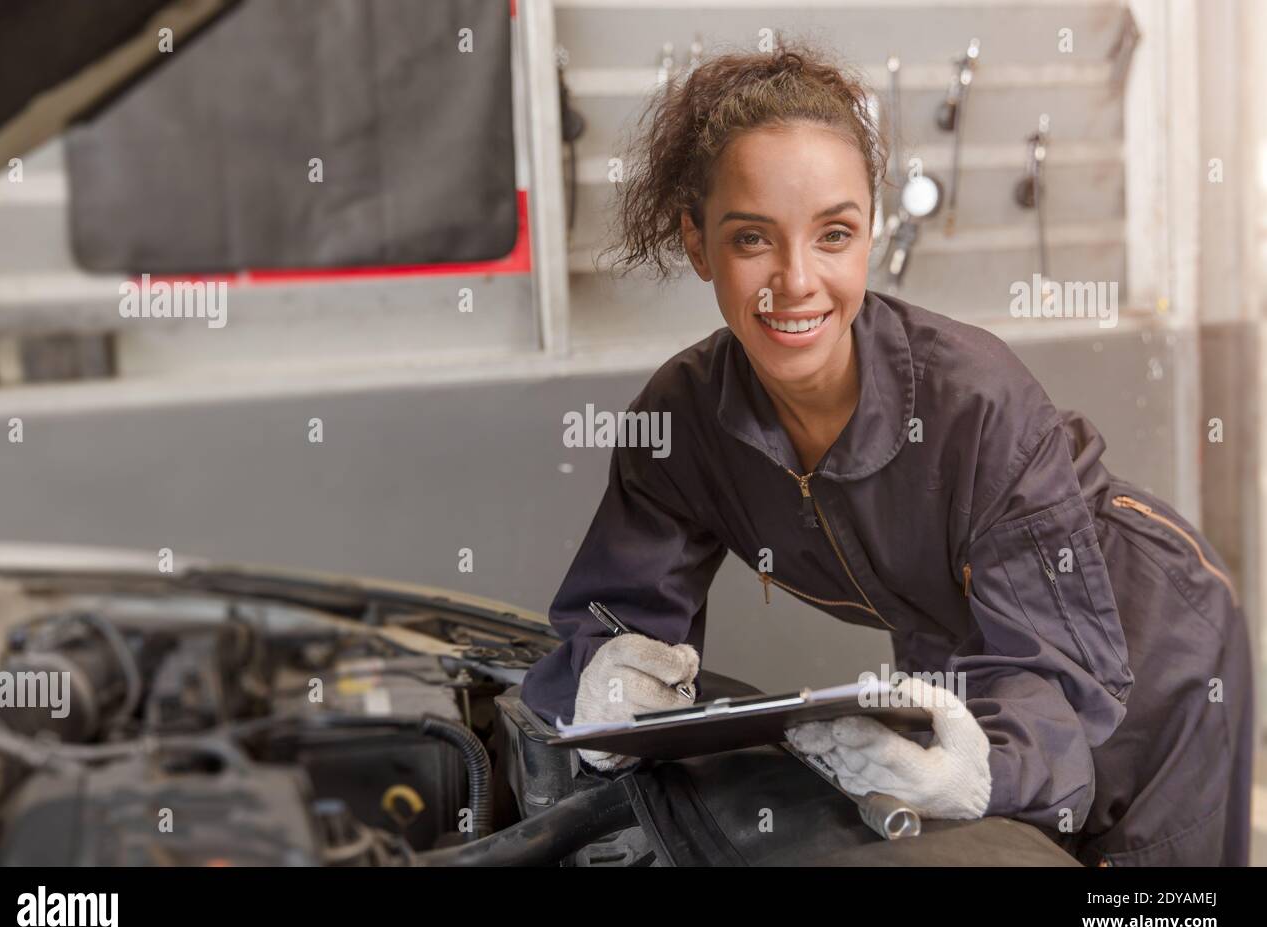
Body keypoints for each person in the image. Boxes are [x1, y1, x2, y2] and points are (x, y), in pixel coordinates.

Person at [520, 40, 1254, 867]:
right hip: (969, 643)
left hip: (1149, 638)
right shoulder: (680, 422)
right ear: (697, 245)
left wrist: (988, 763)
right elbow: (618, 619)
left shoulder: (977, 406)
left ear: (871, 232)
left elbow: (1051, 677)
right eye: (752, 238)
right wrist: (603, 681)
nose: (798, 280)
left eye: (834, 233)